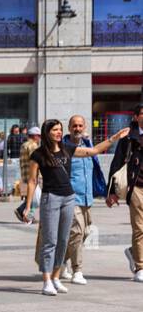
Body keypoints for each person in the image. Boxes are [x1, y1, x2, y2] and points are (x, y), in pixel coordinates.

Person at [22, 119, 126, 296]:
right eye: (55, 130)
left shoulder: (67, 149)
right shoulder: (38, 154)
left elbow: (93, 151)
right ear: (47, 132)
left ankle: (56, 277)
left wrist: (113, 138)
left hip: (69, 198)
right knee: (50, 241)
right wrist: (28, 206)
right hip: (50, 198)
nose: (58, 133)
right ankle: (46, 280)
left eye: (60, 130)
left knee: (63, 240)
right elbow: (32, 181)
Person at [60, 115, 102, 286]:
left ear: (84, 127)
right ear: (69, 128)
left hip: (87, 197)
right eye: (74, 126)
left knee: (84, 233)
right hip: (71, 197)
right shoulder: (63, 148)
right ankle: (77, 270)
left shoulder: (88, 145)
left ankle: (60, 261)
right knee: (77, 232)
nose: (77, 129)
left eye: (80, 125)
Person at [105, 105, 143, 283]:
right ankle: (140, 266)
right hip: (136, 186)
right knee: (140, 228)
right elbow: (117, 163)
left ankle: (132, 251)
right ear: (136, 117)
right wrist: (111, 191)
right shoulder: (128, 138)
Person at [15, 125, 41, 222]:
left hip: (25, 174)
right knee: (37, 198)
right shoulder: (33, 146)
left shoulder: (24, 145)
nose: (40, 138)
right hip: (33, 175)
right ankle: (23, 211)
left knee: (32, 196)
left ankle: (26, 213)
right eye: (39, 136)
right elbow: (35, 161)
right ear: (35, 136)